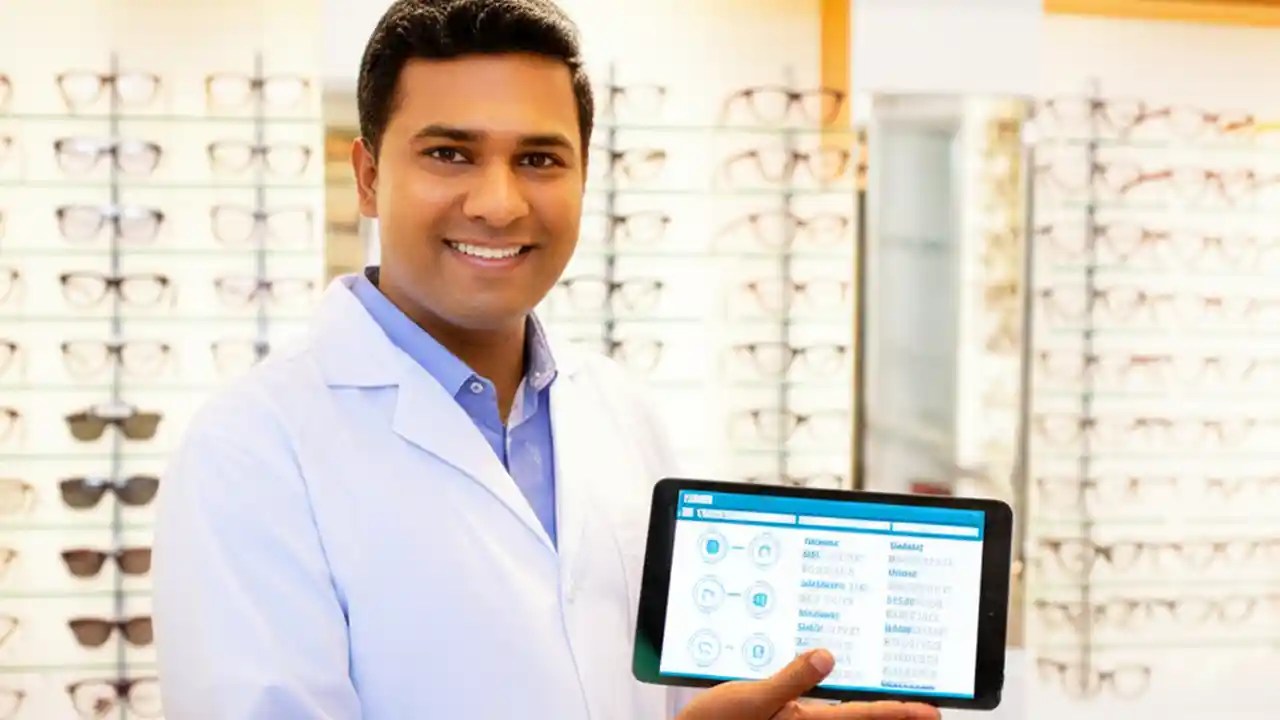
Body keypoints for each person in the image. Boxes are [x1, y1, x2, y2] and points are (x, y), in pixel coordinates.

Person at [151, 1, 942, 718]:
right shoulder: (252, 451)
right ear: (368, 177)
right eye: (450, 153)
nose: (499, 203)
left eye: (539, 159)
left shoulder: (621, 413)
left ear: (584, 177)